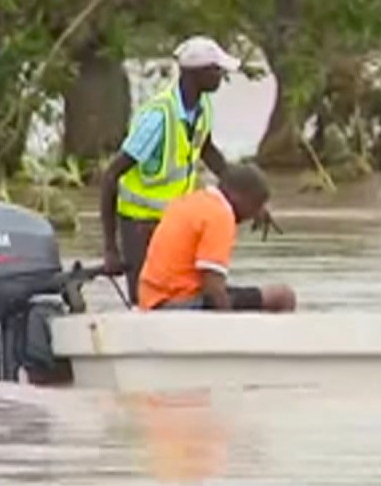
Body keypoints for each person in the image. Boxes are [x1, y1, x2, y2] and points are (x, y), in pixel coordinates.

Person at [100, 36, 239, 303]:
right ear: (196, 74)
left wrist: (243, 191)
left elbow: (207, 150)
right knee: (145, 300)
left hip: (175, 223)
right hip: (141, 225)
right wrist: (110, 247)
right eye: (216, 69)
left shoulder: (203, 108)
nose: (221, 75)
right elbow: (111, 175)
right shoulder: (158, 118)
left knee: (182, 293)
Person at [136, 163, 296, 312]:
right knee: (282, 296)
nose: (252, 216)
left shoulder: (192, 201)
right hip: (176, 302)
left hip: (151, 299)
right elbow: (214, 292)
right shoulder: (220, 215)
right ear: (240, 197)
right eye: (255, 207)